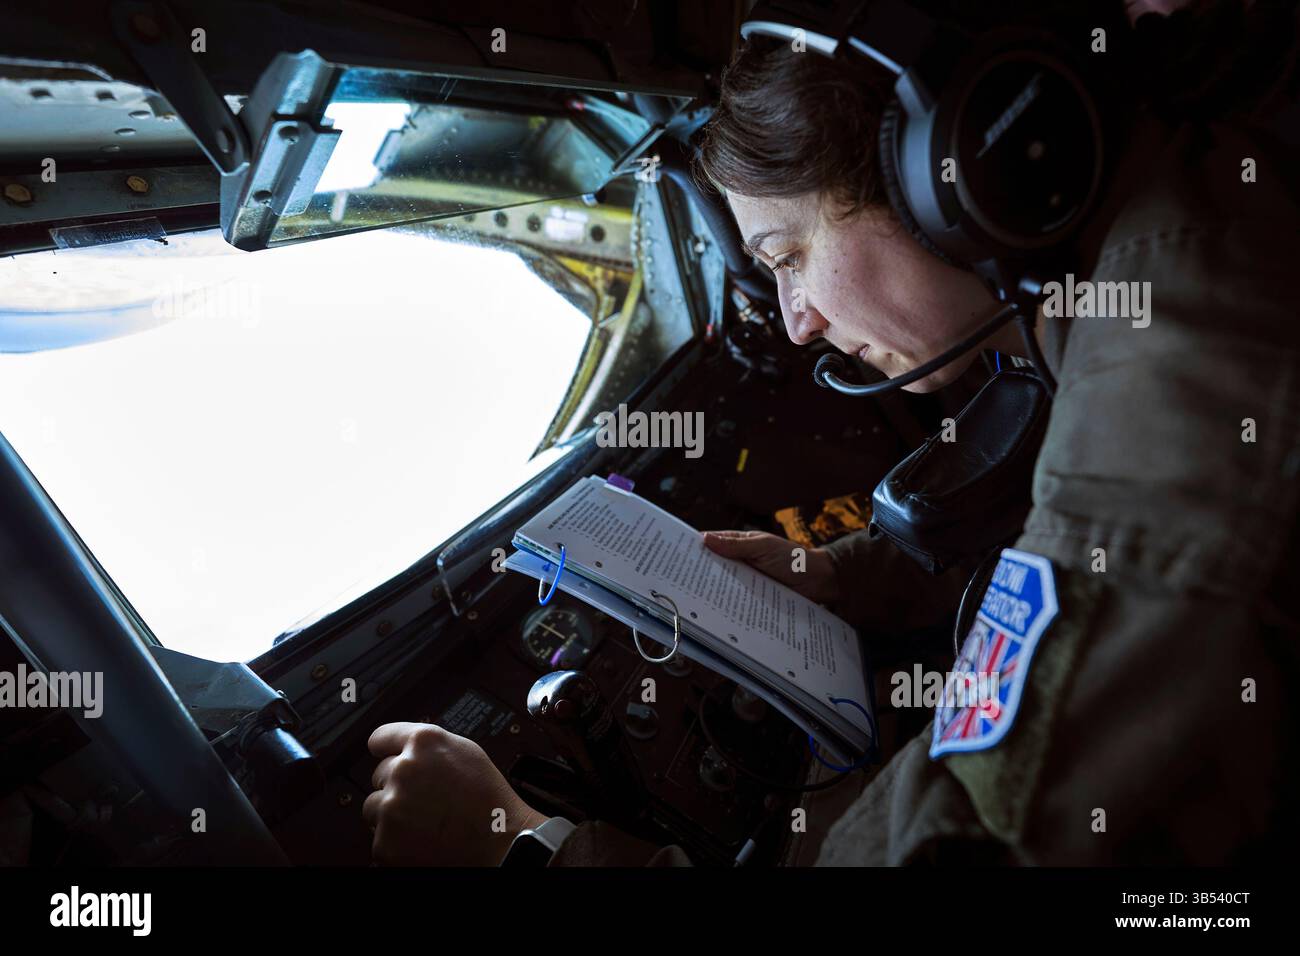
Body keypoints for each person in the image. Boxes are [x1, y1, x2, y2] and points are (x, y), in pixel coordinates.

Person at [363, 0, 1300, 865]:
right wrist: (837, 574)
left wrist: (525, 852)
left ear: (951, 177)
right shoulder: (1131, 254)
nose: (799, 319)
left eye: (790, 255)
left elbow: (974, 841)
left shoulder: (1184, 328)